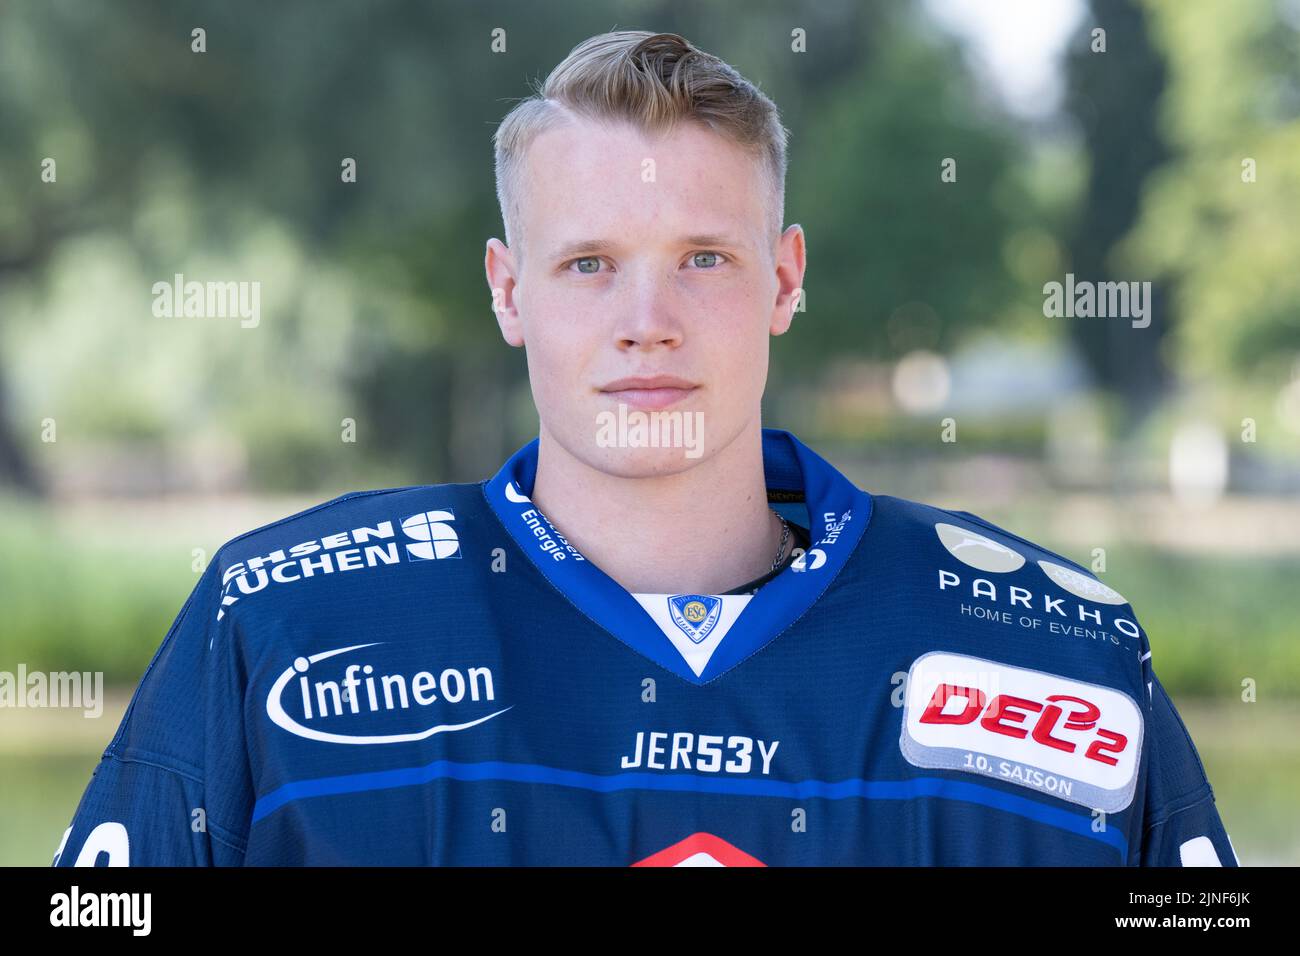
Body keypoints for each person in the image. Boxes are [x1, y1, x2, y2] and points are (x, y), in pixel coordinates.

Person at [54, 30, 1237, 866]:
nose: (646, 320)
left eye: (703, 259)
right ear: (509, 291)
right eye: (588, 264)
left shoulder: (1059, 655)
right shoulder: (274, 622)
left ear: (783, 280)